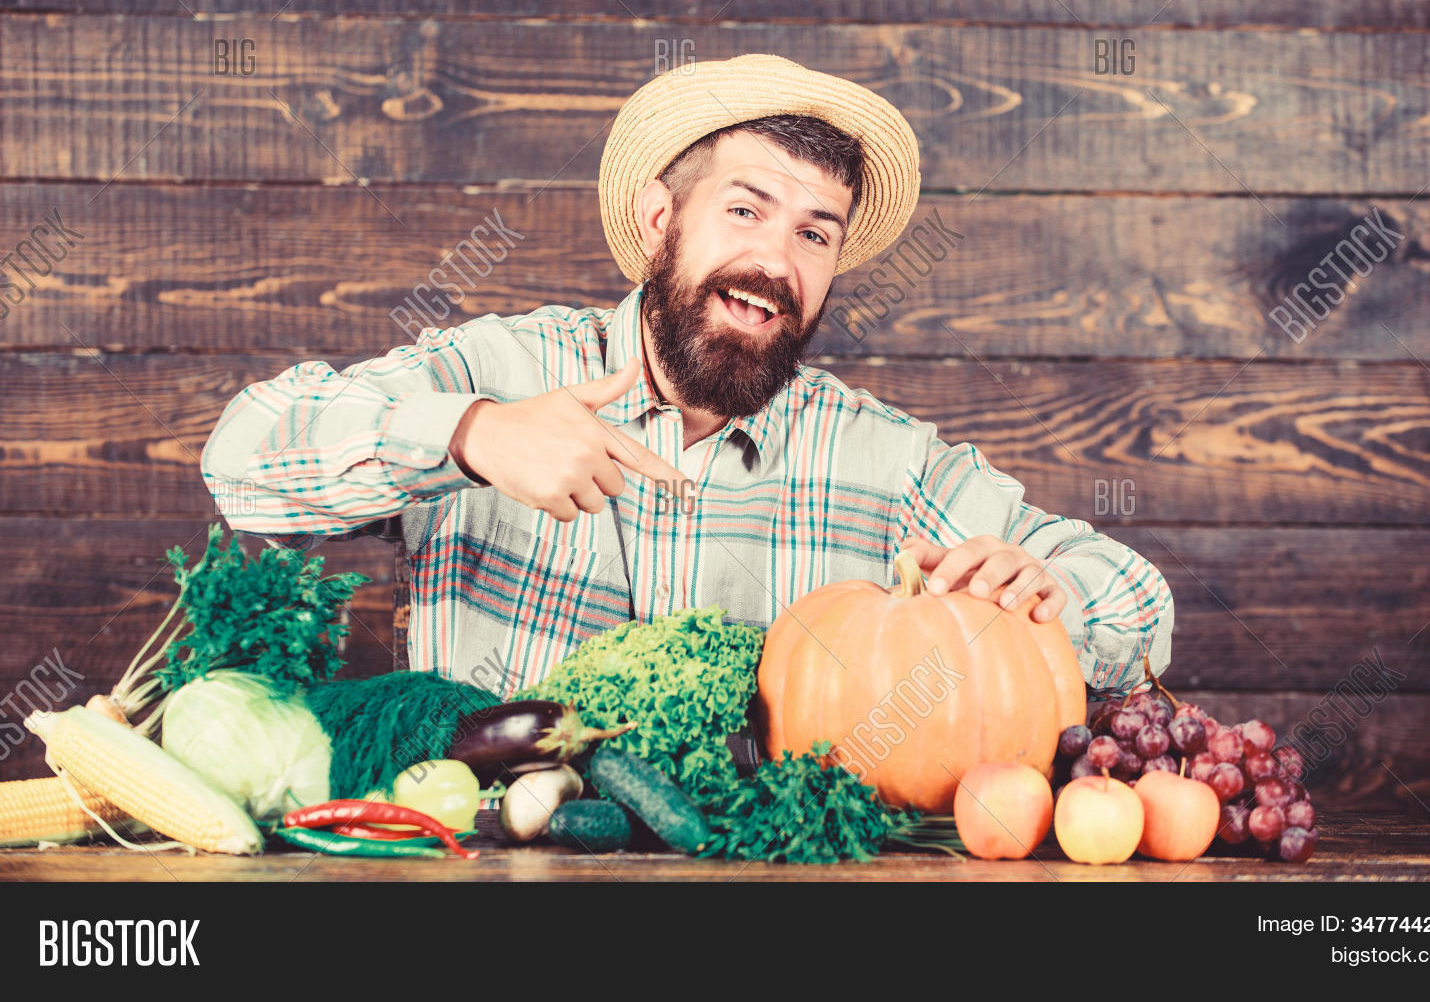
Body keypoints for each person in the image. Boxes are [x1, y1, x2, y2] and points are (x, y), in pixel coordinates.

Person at [202, 54, 1174, 698]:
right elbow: (243, 453)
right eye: (745, 211)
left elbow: (1141, 603)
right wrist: (472, 434)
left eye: (813, 233)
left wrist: (1053, 591)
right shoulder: (502, 368)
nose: (775, 262)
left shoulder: (883, 458)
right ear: (660, 220)